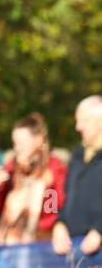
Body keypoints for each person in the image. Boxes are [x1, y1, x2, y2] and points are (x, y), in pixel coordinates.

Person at [0, 112, 66, 245]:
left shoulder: (54, 168)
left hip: (41, 242)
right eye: (15, 143)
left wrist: (41, 227)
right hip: (7, 242)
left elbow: (57, 208)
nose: (18, 147)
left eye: (22, 142)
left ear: (39, 139)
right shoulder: (11, 167)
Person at [52, 96, 102, 258]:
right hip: (71, 250)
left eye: (84, 121)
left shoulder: (53, 166)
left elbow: (50, 195)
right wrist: (59, 224)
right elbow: (64, 199)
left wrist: (100, 229)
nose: (77, 127)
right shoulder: (76, 156)